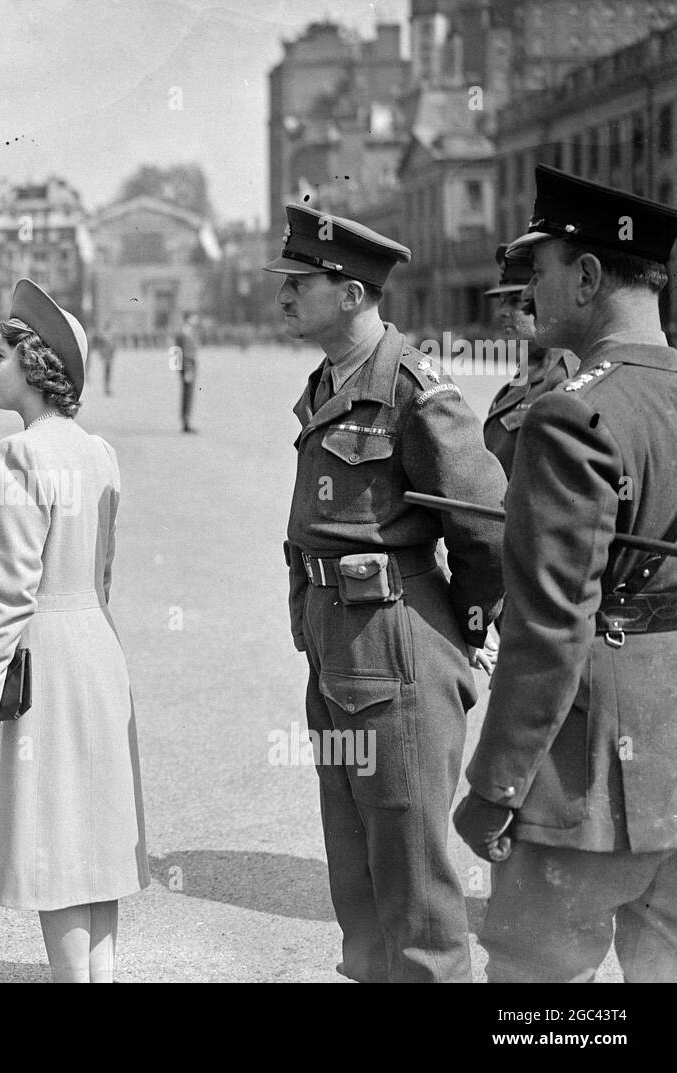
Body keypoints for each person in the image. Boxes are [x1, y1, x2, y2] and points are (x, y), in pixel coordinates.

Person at [267, 203, 506, 982]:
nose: (285, 296)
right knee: (357, 870)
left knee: (414, 886)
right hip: (333, 650)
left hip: (396, 654)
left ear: (351, 292)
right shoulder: (330, 380)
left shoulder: (413, 389)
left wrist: (463, 629)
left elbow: (488, 527)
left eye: (299, 283)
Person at [455, 166, 677, 982]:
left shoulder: (571, 414)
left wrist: (495, 786)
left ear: (587, 276)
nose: (530, 290)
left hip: (584, 778)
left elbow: (551, 629)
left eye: (539, 270)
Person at [0, 278, 149, 984]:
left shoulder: (19, 456)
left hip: (44, 657)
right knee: (94, 838)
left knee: (54, 838)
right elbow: (103, 573)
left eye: (1, 354)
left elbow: (12, 590)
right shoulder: (98, 451)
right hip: (95, 648)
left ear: (33, 364)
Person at [481, 243, 578, 476]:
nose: (502, 312)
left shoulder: (567, 378)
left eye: (516, 301)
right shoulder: (527, 374)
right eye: (502, 301)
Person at [173, 311, 198, 432]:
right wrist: (186, 369)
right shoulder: (185, 332)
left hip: (185, 366)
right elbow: (185, 352)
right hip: (188, 366)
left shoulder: (184, 331)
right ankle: (186, 422)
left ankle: (186, 420)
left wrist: (176, 367)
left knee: (187, 394)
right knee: (188, 395)